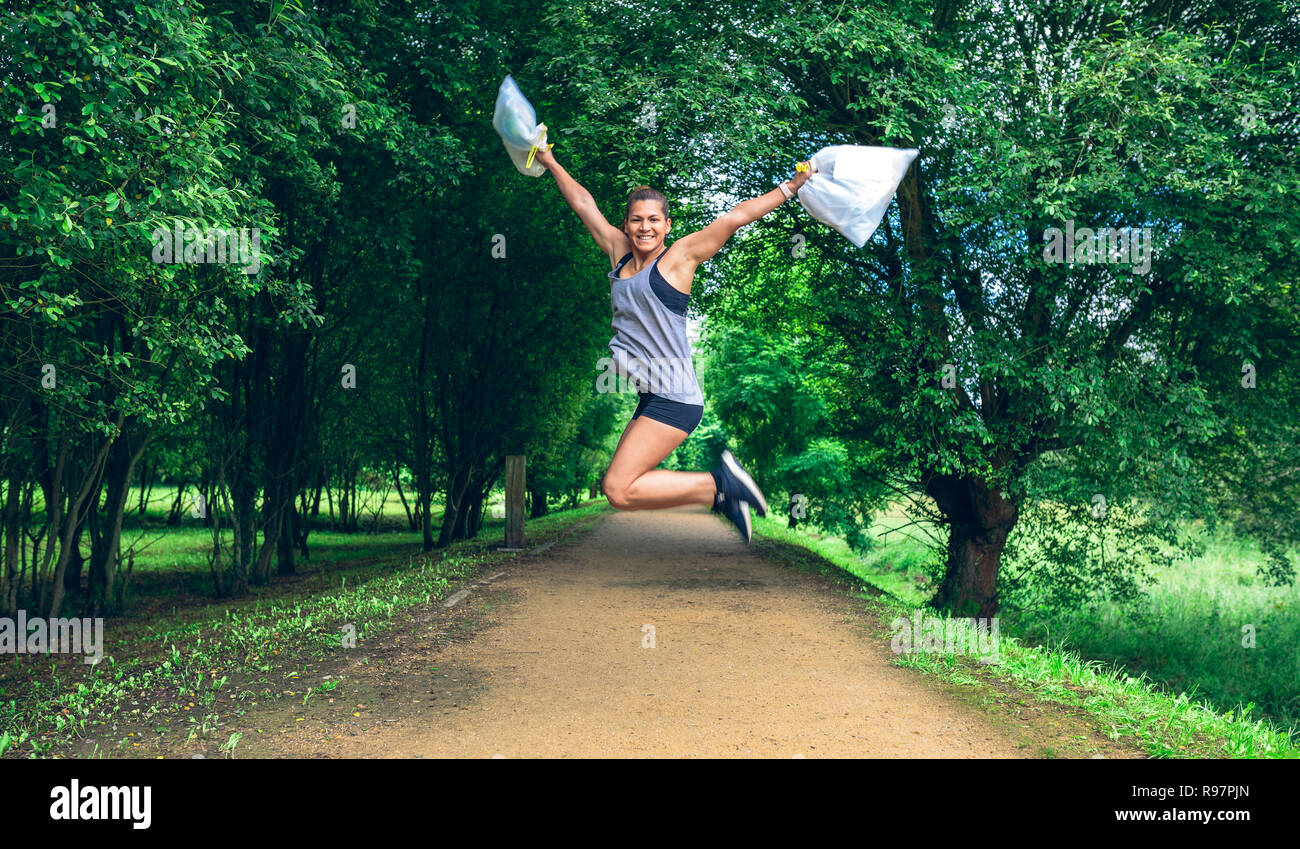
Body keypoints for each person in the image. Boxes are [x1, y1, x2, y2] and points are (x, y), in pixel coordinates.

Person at [533, 144, 812, 542]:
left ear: (667, 225)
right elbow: (583, 204)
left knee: (617, 488)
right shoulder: (618, 254)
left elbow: (734, 217)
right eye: (635, 220)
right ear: (626, 225)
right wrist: (550, 162)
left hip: (675, 396)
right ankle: (722, 497)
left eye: (653, 220)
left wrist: (791, 187)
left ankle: (719, 485)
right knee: (622, 490)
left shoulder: (679, 258)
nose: (644, 228)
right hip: (653, 395)